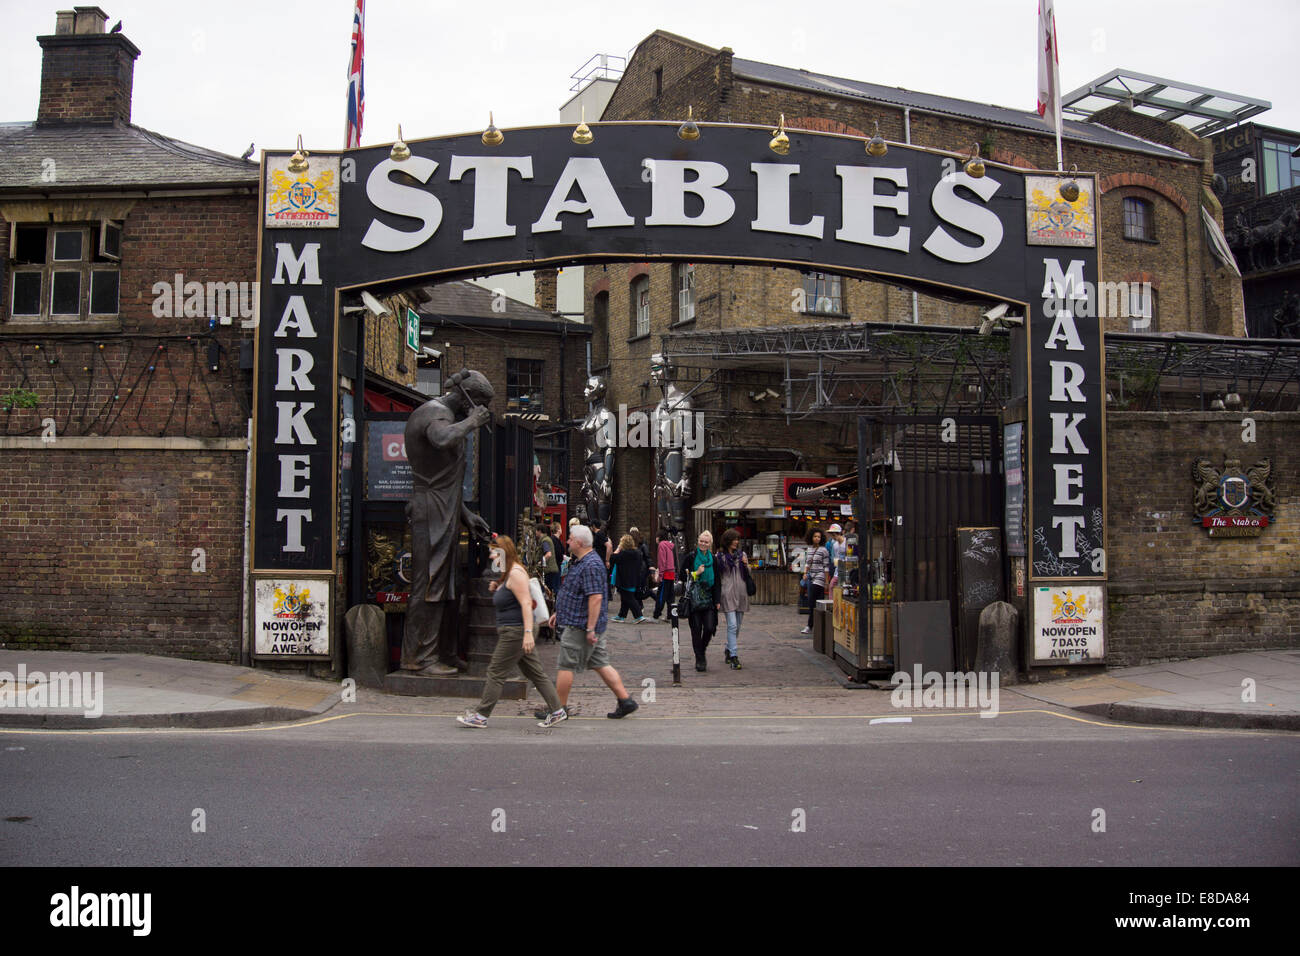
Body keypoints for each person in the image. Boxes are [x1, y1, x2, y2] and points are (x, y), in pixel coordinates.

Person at [400, 370, 494, 677]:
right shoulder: (435, 413)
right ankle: (418, 658)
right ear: (467, 397)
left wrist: (465, 514)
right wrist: (472, 423)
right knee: (429, 583)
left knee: (449, 586)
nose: (482, 409)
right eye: (480, 402)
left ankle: (445, 652)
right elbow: (440, 439)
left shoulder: (448, 416)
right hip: (431, 509)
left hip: (446, 508)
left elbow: (444, 480)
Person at [457, 536, 567, 729]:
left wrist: (527, 633)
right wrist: (497, 588)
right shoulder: (509, 574)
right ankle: (557, 710)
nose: (491, 556)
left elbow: (526, 603)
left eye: (494, 552)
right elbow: (512, 599)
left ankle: (481, 715)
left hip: (516, 631)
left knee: (495, 672)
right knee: (535, 673)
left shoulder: (515, 573)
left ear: (503, 552)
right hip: (516, 630)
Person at [545, 525, 638, 719]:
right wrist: (559, 612)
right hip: (582, 622)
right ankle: (625, 700)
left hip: (580, 625)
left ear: (579, 542)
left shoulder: (591, 565)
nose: (567, 541)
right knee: (600, 662)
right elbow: (574, 592)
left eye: (570, 539)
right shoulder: (583, 562)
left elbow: (595, 598)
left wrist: (590, 629)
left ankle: (558, 709)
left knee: (566, 664)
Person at [679, 529, 722, 672]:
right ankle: (700, 659)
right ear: (698, 541)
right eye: (701, 541)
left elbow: (717, 581)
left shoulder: (714, 559)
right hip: (694, 599)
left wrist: (717, 600)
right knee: (696, 629)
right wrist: (696, 573)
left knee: (709, 627)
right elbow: (681, 576)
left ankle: (701, 650)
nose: (703, 544)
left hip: (709, 598)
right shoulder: (691, 557)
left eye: (706, 542)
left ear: (710, 544)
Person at [717, 528, 751, 669]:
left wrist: (746, 564)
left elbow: (748, 573)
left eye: (737, 539)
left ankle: (728, 648)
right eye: (733, 539)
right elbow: (718, 575)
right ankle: (734, 656)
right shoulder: (720, 556)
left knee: (737, 626)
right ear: (727, 541)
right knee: (732, 625)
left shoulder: (742, 555)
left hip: (741, 592)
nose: (736, 542)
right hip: (728, 593)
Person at [610, 534, 648, 623]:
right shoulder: (637, 553)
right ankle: (621, 616)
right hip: (634, 579)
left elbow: (612, 558)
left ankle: (638, 616)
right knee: (625, 598)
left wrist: (617, 549)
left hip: (624, 579)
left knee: (629, 598)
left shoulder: (623, 553)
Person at [802, 528, 832, 635]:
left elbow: (826, 566)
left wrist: (827, 581)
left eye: (819, 537)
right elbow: (807, 563)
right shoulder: (809, 549)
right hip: (811, 576)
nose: (817, 538)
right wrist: (805, 573)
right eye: (815, 536)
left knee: (811, 601)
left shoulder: (824, 550)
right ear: (811, 537)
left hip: (820, 577)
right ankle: (819, 625)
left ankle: (810, 625)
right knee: (817, 601)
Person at [653, 529, 676, 619]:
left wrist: (660, 575)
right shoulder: (669, 545)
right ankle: (670, 615)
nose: (655, 539)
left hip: (665, 573)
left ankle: (656, 614)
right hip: (671, 572)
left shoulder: (661, 545)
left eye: (656, 537)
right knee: (670, 596)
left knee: (661, 595)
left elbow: (662, 561)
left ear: (659, 537)